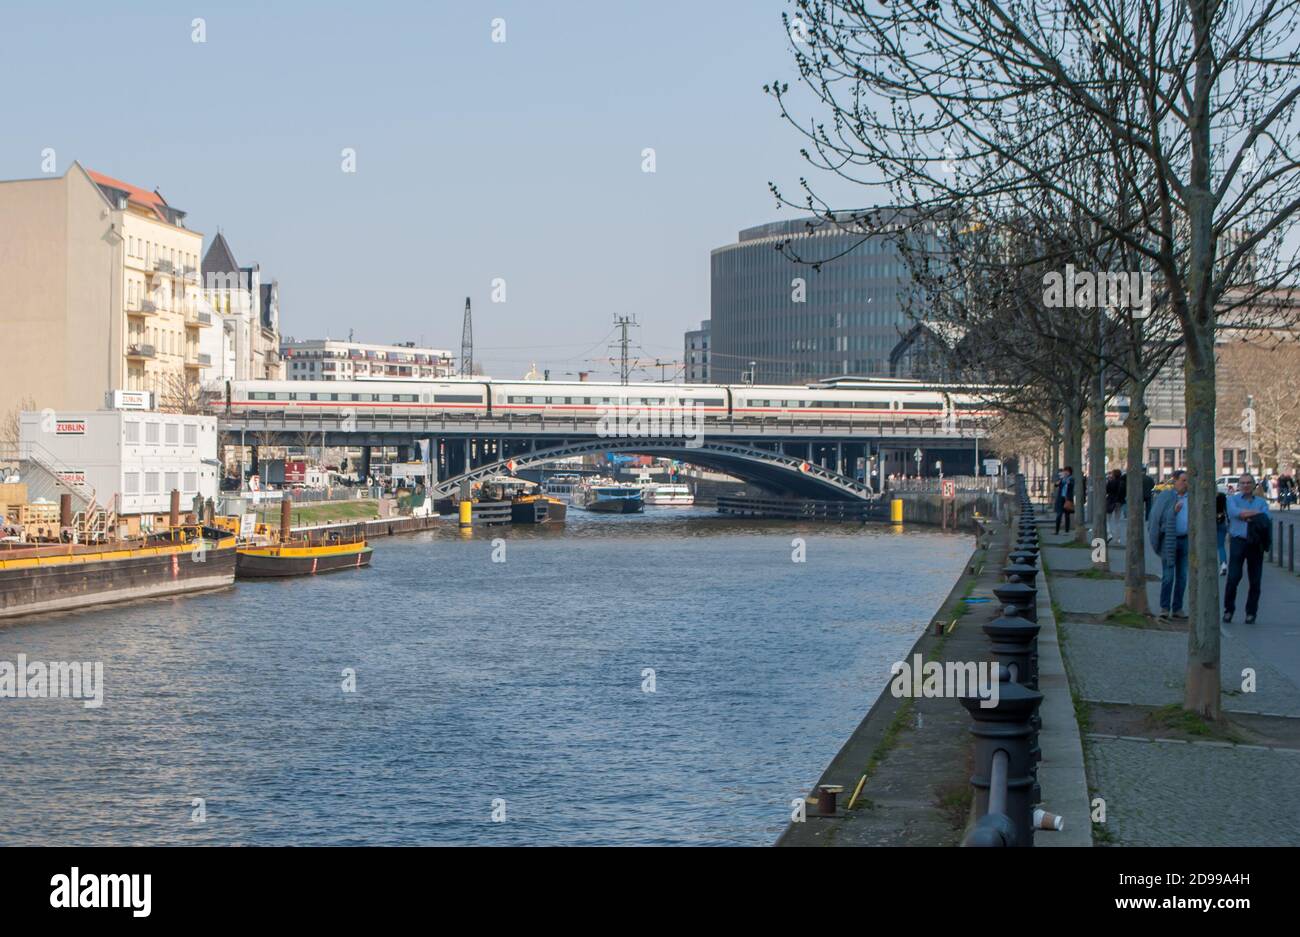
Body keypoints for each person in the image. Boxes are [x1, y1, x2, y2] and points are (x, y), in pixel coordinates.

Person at [1224, 472, 1271, 624]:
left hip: (1256, 543)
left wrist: (1246, 515)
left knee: (1255, 580)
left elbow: (1266, 518)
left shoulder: (1261, 502)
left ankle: (1251, 612)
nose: (1245, 485)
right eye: (1242, 483)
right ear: (1239, 485)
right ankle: (1229, 610)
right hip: (1238, 542)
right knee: (1233, 578)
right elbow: (1234, 513)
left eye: (1248, 483)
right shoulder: (1232, 499)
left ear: (1253, 485)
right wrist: (1254, 515)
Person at [1148, 469, 1190, 620]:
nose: (1186, 484)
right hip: (1169, 540)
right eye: (1183, 480)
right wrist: (1173, 511)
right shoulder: (1166, 496)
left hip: (1185, 539)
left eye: (1187, 481)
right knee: (1168, 576)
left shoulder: (1190, 498)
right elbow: (1156, 518)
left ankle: (1178, 608)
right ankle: (1164, 607)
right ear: (1175, 481)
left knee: (1182, 576)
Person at [1105, 469, 1125, 543]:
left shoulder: (1110, 482)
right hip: (1119, 502)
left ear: (1113, 475)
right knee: (1117, 520)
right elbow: (1124, 493)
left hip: (1111, 501)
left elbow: (1106, 491)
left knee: (1107, 519)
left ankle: (1109, 534)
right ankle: (1118, 538)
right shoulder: (1123, 483)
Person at [1054, 466, 1075, 534]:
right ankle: (1057, 530)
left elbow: (1071, 485)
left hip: (1067, 499)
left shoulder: (1071, 479)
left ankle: (1066, 531)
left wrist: (1068, 482)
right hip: (1061, 498)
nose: (1065, 472)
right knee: (1059, 514)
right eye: (1064, 471)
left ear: (1069, 472)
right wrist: (1060, 480)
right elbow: (1056, 485)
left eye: (1067, 471)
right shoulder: (1062, 479)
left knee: (1067, 515)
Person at [1216, 490, 1228, 575]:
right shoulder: (1222, 496)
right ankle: (1223, 563)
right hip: (1221, 521)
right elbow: (1226, 510)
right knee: (1221, 545)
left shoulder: (1206, 497)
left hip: (1209, 524)